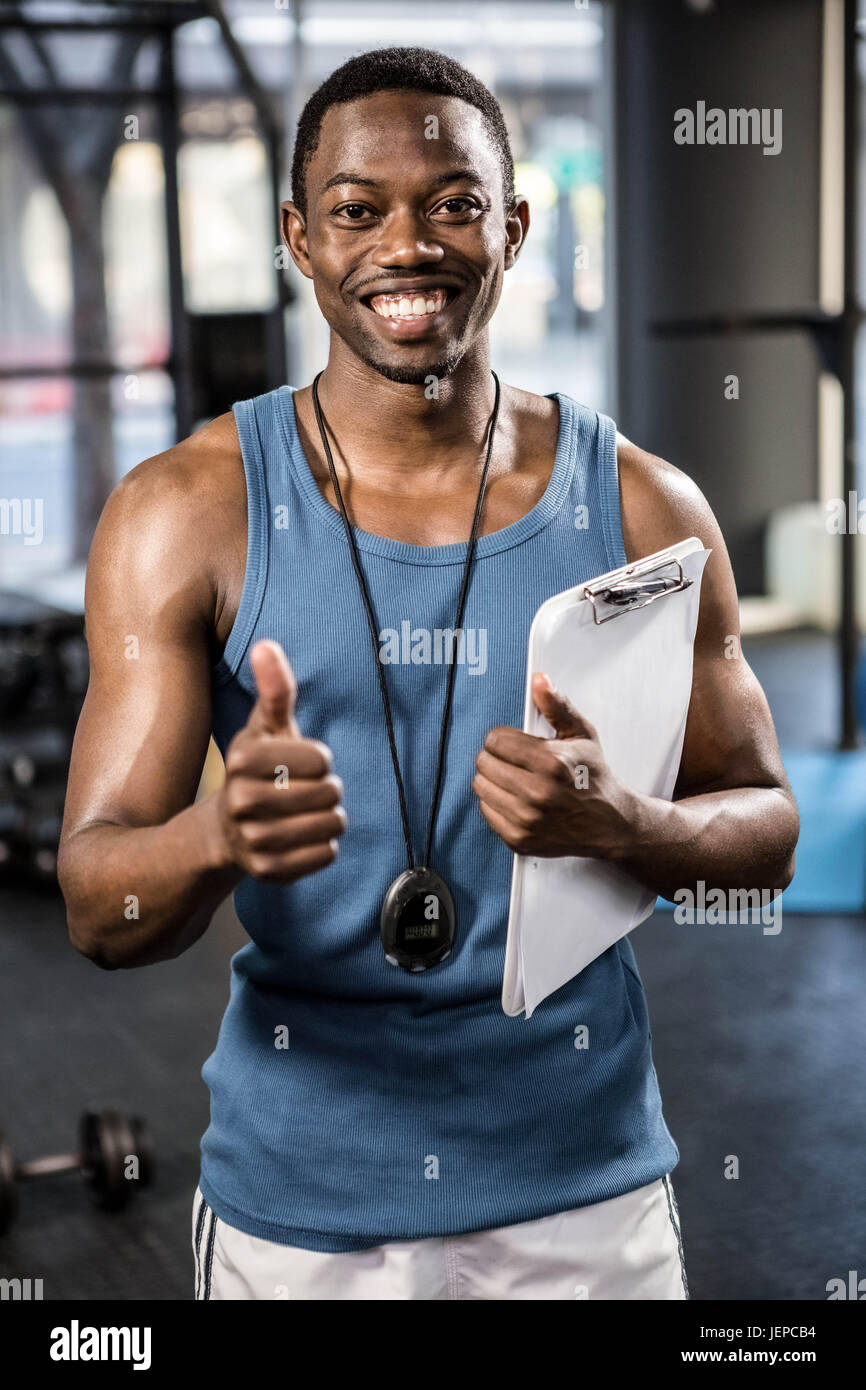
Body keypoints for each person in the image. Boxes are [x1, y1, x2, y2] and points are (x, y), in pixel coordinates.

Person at [58, 46, 798, 1301]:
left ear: (510, 227)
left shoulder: (638, 502)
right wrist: (213, 837)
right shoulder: (186, 510)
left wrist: (630, 824)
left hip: (583, 1184)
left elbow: (767, 824)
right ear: (300, 237)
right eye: (357, 209)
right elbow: (95, 906)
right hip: (303, 1201)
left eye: (454, 203)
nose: (408, 245)